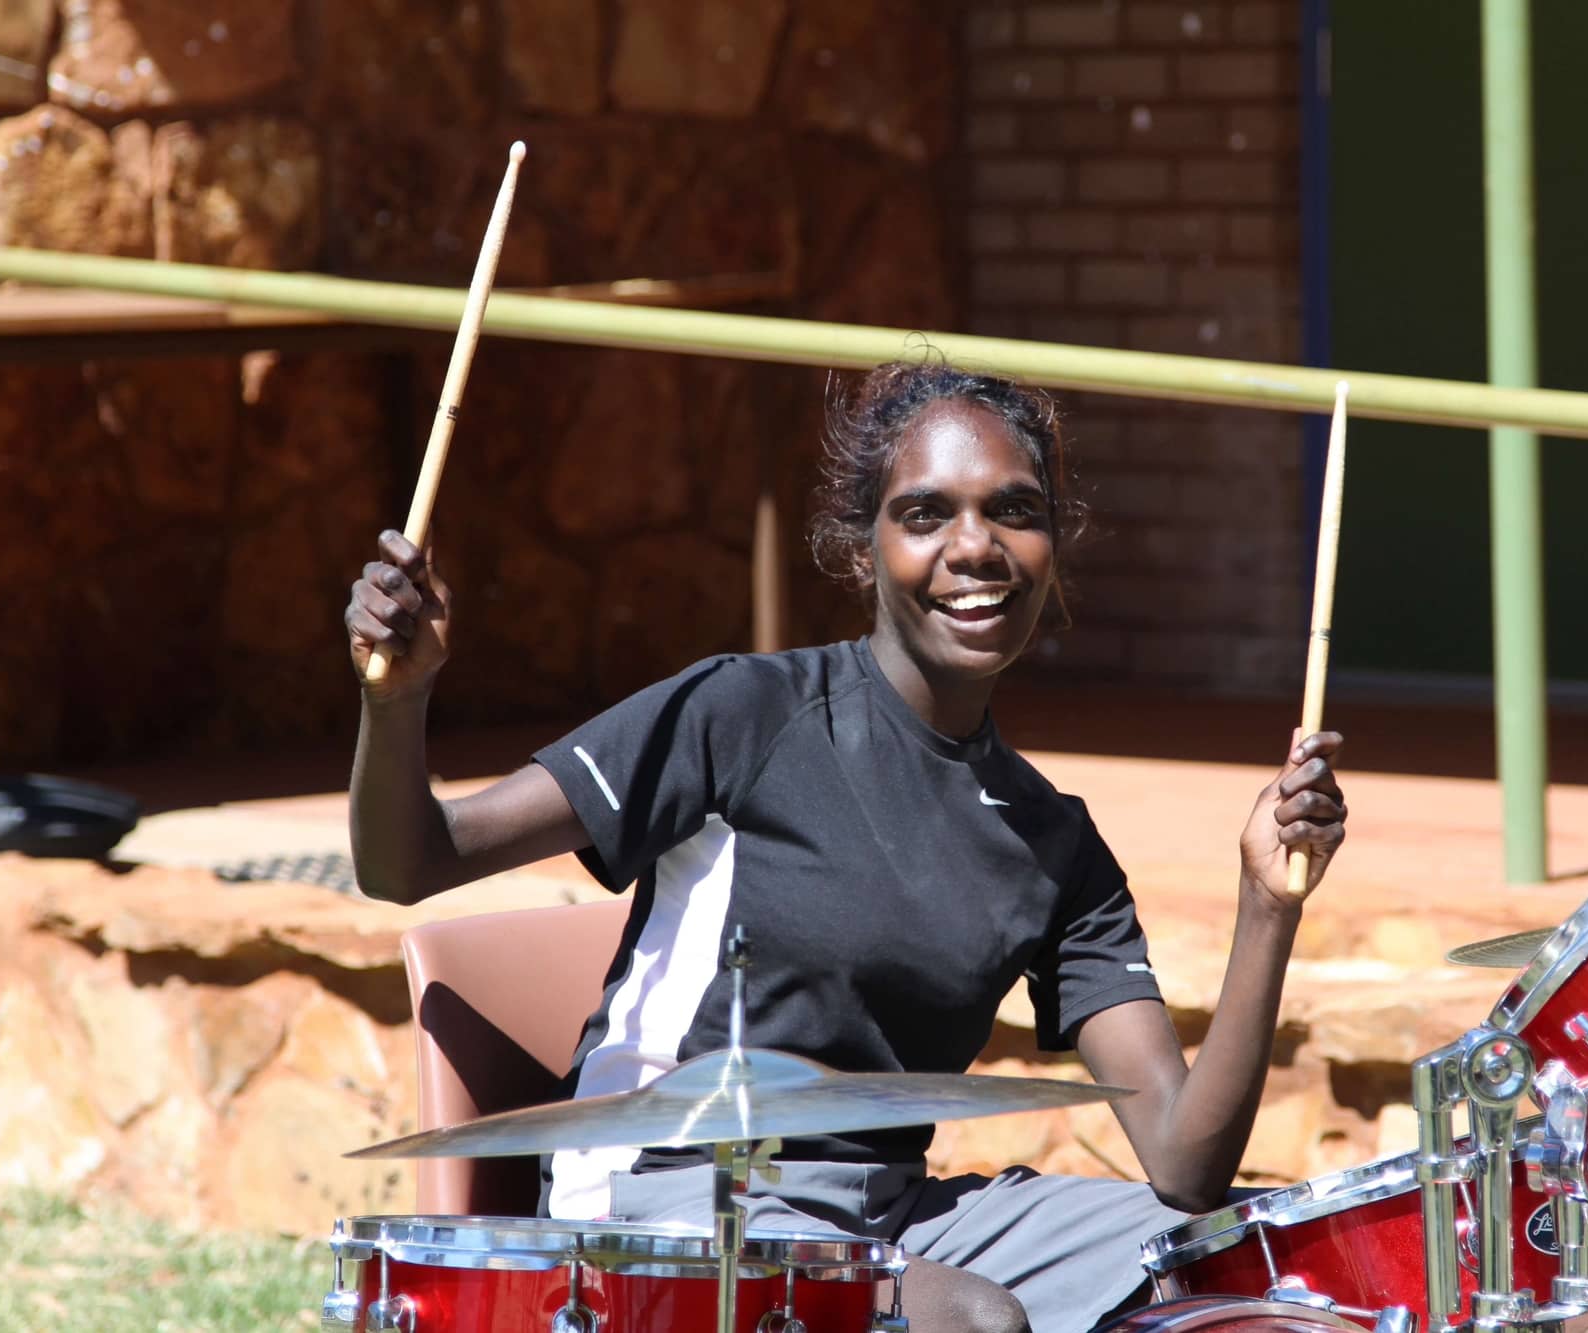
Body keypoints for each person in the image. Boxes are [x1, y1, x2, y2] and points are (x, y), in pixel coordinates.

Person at [344, 362, 1347, 1333]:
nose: (975, 545)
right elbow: (409, 863)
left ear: (1052, 546)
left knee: (1242, 1264)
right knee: (969, 1320)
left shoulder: (1054, 842)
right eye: (925, 513)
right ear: (863, 549)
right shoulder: (745, 713)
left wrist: (1267, 902)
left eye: (1014, 510)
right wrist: (397, 703)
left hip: (886, 1214)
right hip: (675, 1196)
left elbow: (1183, 1162)